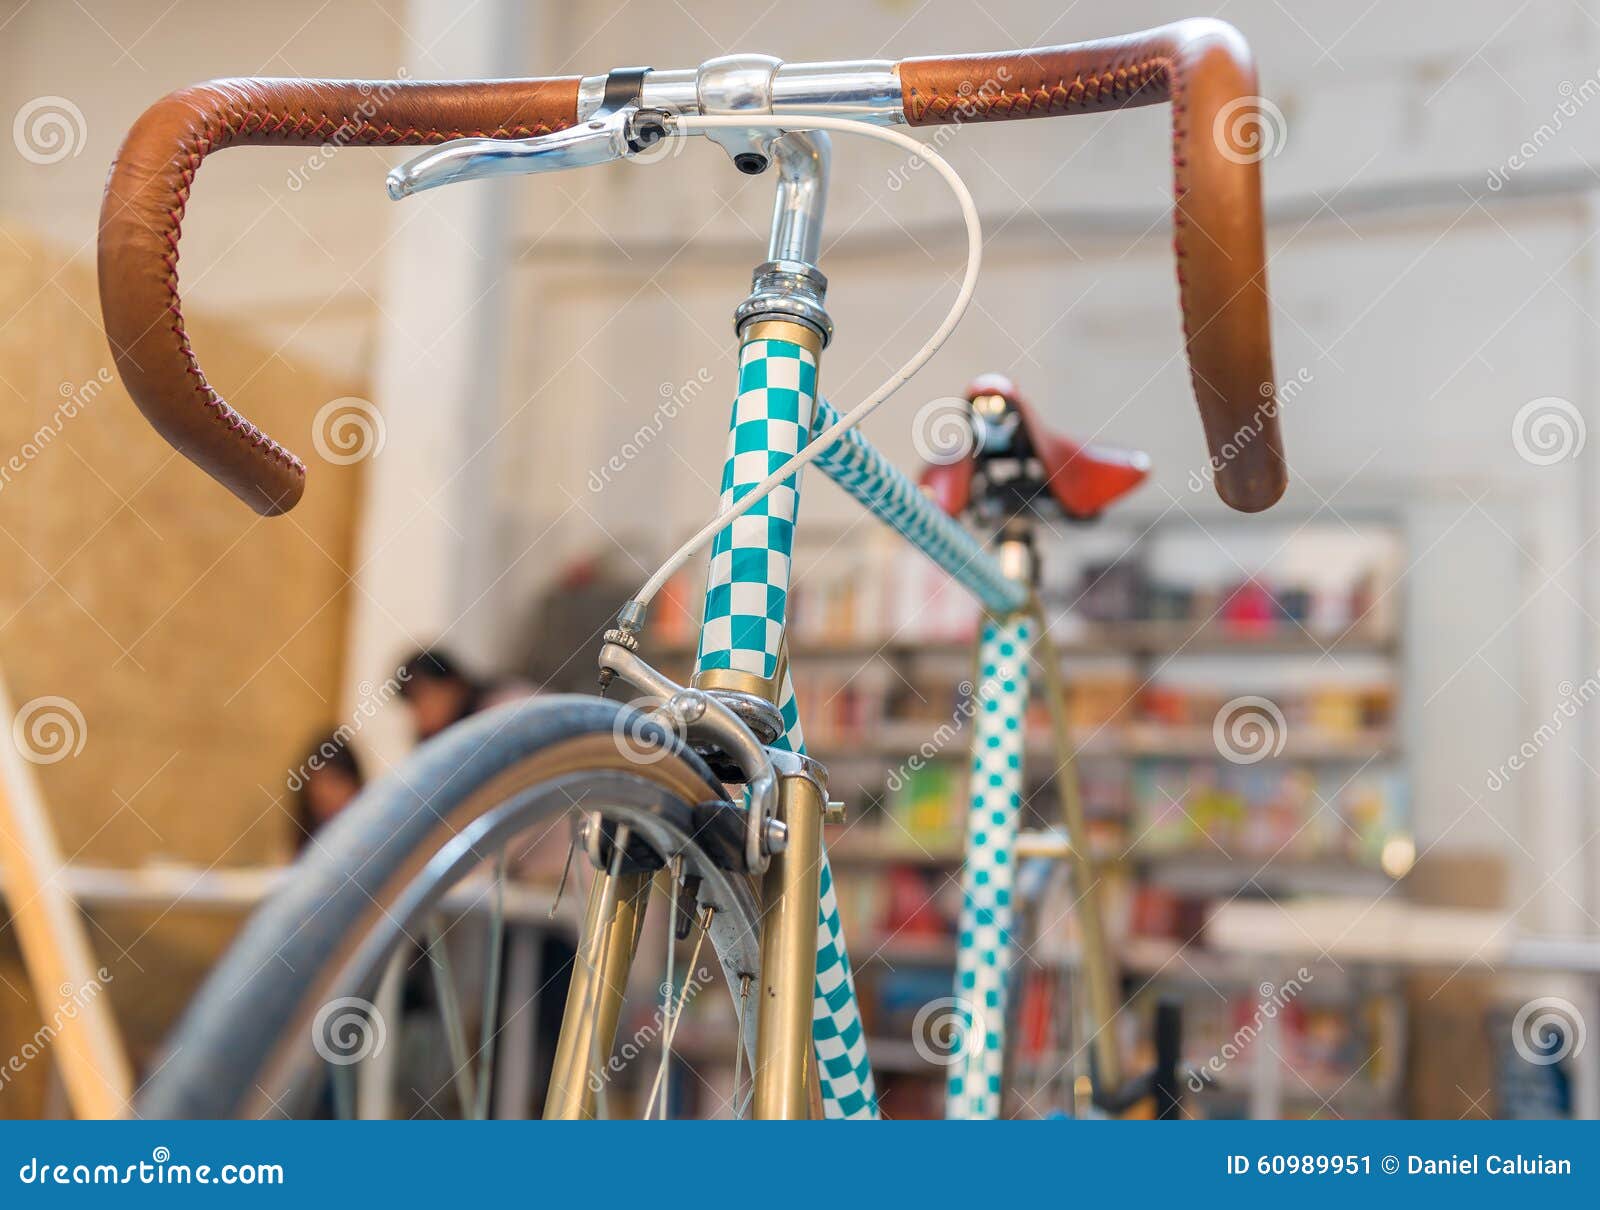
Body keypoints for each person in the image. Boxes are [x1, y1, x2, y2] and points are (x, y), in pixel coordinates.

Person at [292, 732, 364, 851]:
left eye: (335, 781)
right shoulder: (301, 840)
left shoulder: (369, 837)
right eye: (319, 782)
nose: (326, 794)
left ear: (355, 785)